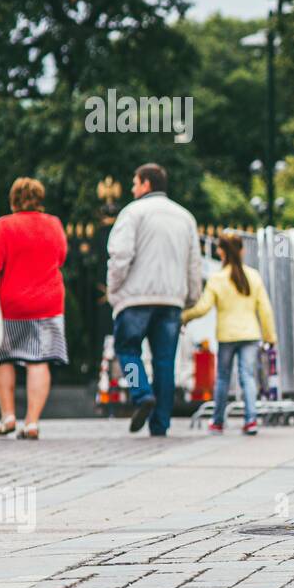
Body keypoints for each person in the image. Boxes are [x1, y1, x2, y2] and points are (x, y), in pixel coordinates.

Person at [107, 163, 202, 436]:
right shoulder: (185, 217)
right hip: (172, 299)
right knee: (164, 362)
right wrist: (191, 299)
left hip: (135, 298)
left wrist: (114, 290)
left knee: (127, 350)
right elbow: (193, 264)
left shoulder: (132, 212)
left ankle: (141, 392)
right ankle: (160, 423)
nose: (132, 188)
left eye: (135, 183)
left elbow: (120, 256)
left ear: (147, 184)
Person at [0, 177, 69, 439]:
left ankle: (8, 416)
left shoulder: (5, 225)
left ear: (14, 199)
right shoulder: (53, 224)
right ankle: (31, 422)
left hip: (11, 305)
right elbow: (62, 256)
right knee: (39, 360)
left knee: (2, 357)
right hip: (48, 303)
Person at [181, 232, 276, 436]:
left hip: (226, 336)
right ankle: (251, 420)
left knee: (223, 378)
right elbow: (265, 309)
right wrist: (270, 337)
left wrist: (183, 317)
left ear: (221, 252)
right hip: (250, 334)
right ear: (242, 251)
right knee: (247, 376)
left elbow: (203, 308)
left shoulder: (217, 279)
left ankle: (217, 421)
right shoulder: (253, 276)